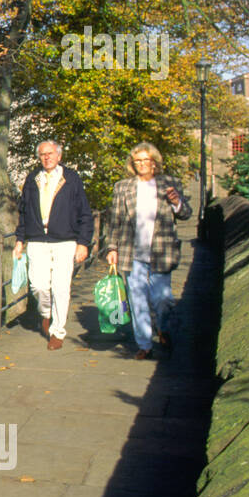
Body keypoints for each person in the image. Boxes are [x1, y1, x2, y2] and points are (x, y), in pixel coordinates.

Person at [102, 142, 192, 359]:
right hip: (132, 252)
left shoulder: (170, 184)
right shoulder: (123, 187)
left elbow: (186, 214)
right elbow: (114, 220)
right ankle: (144, 344)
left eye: (146, 160)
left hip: (161, 251)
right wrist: (112, 247)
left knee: (163, 299)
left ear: (154, 162)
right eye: (138, 161)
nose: (142, 164)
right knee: (137, 298)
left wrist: (177, 202)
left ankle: (162, 328)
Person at [13, 140, 94, 350]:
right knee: (38, 285)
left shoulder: (71, 179)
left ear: (59, 156)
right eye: (42, 154)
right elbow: (23, 212)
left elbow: (85, 213)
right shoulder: (32, 179)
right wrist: (20, 240)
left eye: (50, 153)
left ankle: (57, 331)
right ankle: (45, 313)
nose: (46, 157)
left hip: (65, 240)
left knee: (60, 287)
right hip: (37, 240)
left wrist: (83, 243)